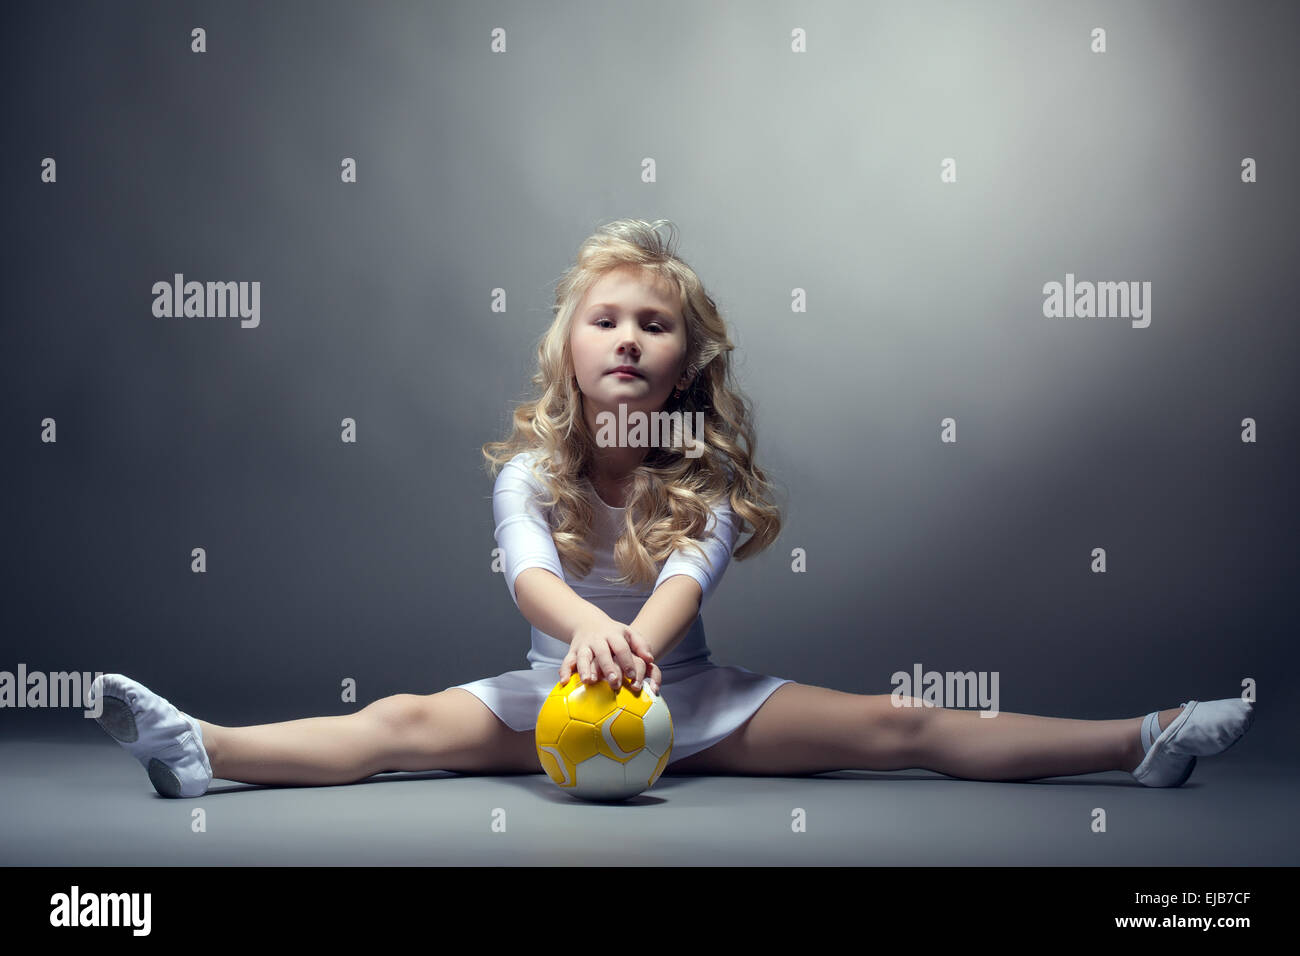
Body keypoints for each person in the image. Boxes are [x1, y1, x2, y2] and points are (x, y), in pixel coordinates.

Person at [90, 219, 1254, 798]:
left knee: (906, 724)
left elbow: (688, 582)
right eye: (606, 320)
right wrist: (583, 645)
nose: (629, 338)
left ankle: (1137, 739)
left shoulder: (700, 476)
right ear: (569, 349)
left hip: (691, 698)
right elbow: (524, 571)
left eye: (654, 324)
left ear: (687, 360)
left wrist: (633, 649)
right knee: (397, 721)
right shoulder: (529, 470)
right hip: (551, 700)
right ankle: (206, 750)